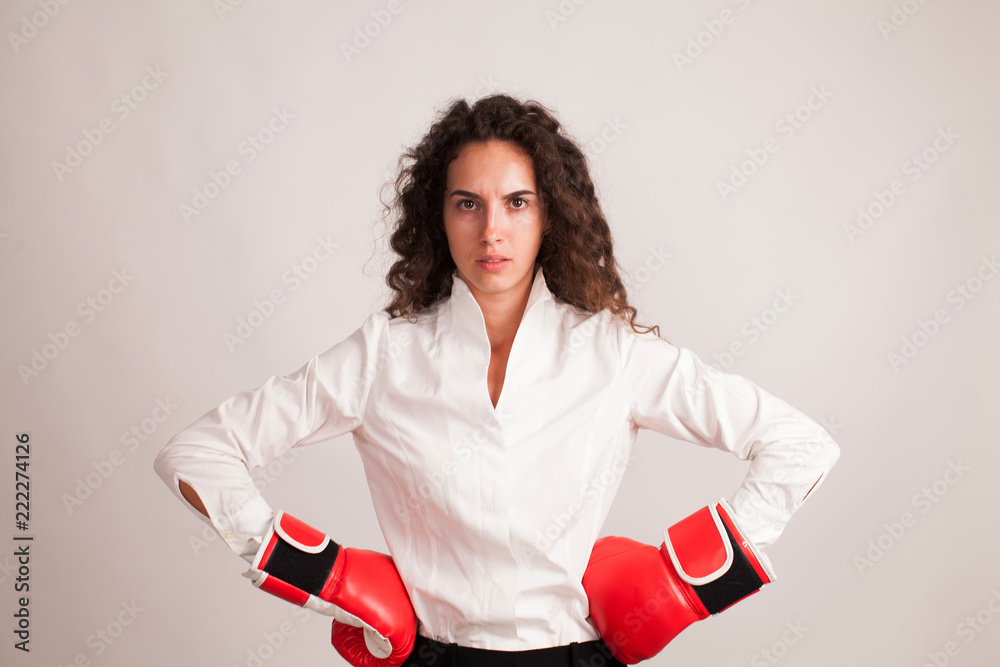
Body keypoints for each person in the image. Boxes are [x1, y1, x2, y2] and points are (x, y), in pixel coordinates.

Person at [154, 94, 840, 667]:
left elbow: (800, 447)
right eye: (467, 203)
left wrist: (685, 582)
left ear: (550, 215)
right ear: (438, 215)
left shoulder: (611, 352)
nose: (491, 230)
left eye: (517, 202)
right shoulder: (384, 356)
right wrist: (318, 573)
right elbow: (197, 452)